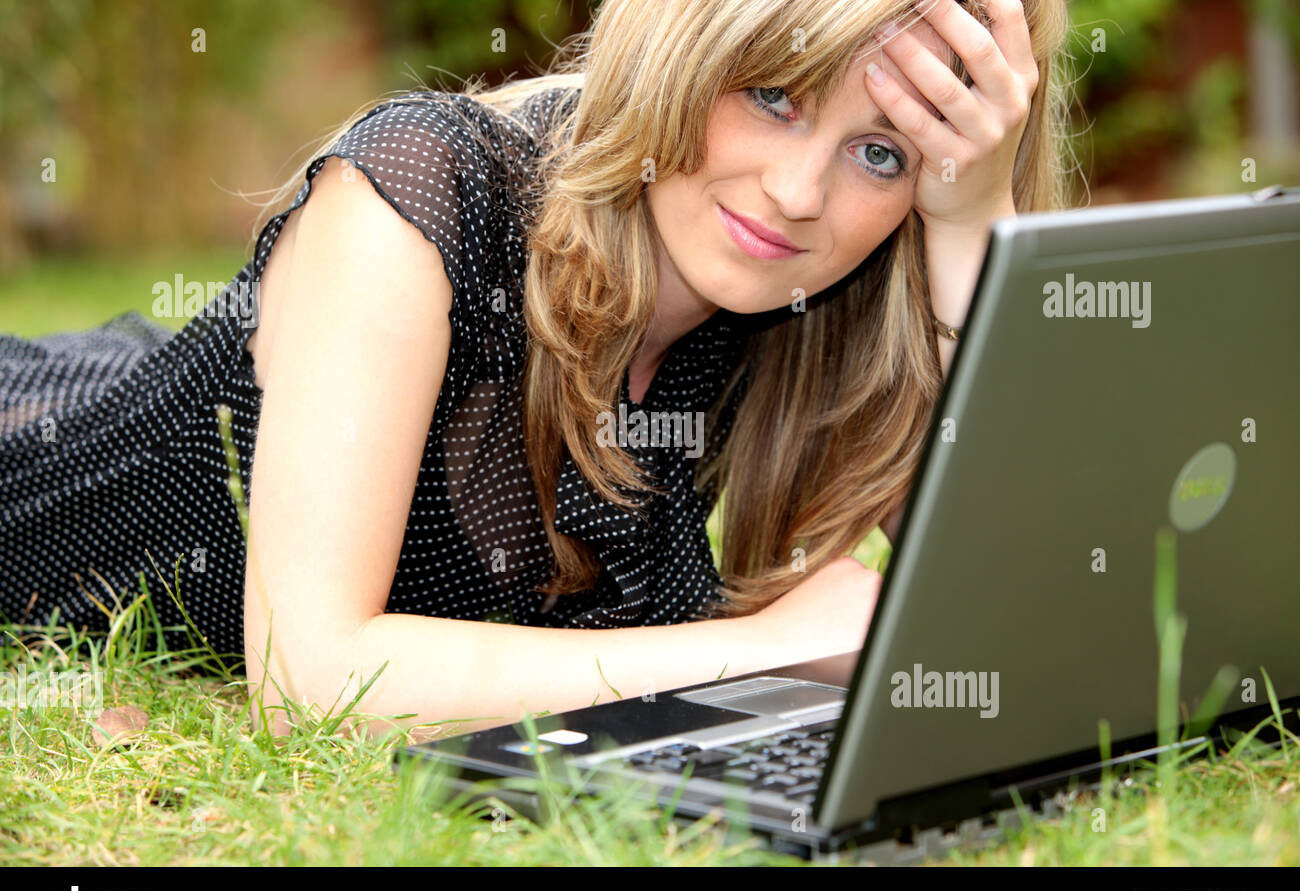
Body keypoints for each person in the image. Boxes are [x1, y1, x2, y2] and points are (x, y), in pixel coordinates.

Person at [0, 0, 1072, 739]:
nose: (797, 192)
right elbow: (310, 677)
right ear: (683, 48)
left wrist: (972, 221)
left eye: (881, 152)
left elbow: (1036, 607)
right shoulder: (417, 193)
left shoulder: (797, 289)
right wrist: (757, 649)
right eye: (772, 95)